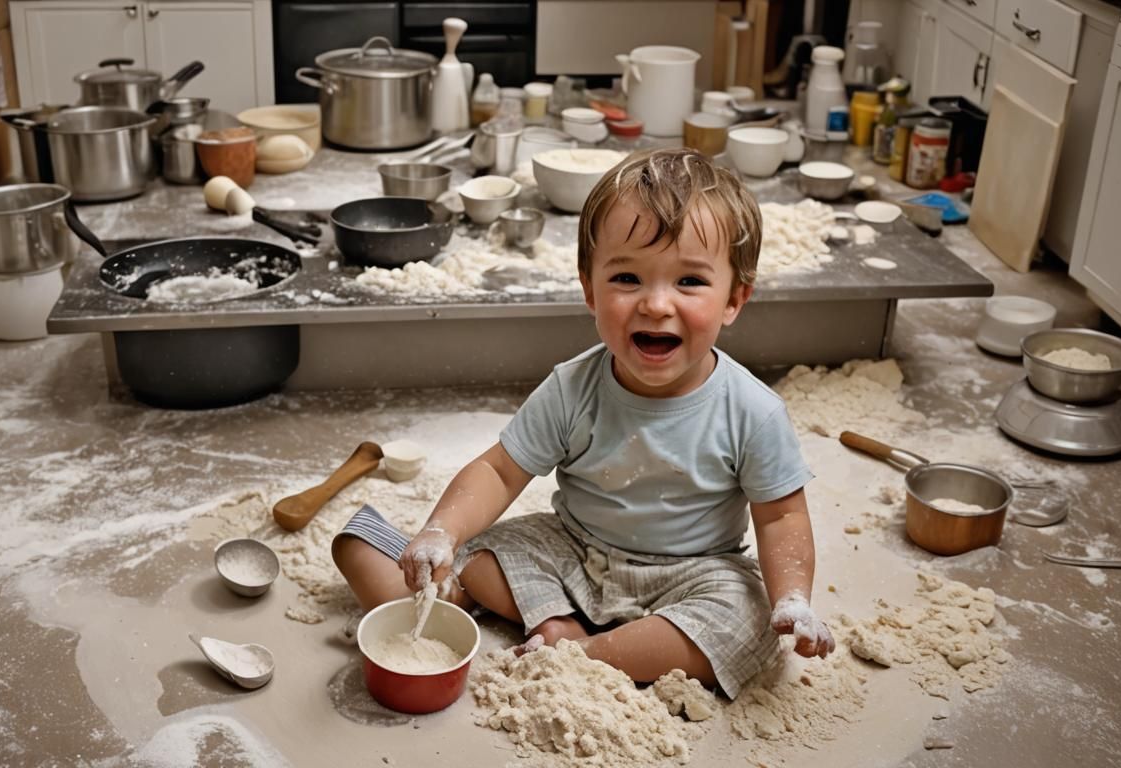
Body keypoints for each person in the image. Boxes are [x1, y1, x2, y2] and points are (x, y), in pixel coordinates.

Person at [331, 148, 834, 698]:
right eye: (627, 277)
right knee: (476, 550)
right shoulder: (573, 388)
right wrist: (441, 531)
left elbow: (783, 519)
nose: (656, 304)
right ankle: (451, 595)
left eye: (689, 281)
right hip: (575, 550)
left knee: (746, 620)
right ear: (590, 290)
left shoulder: (753, 412)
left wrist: (792, 598)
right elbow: (500, 473)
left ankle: (583, 648)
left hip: (694, 572)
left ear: (734, 299)